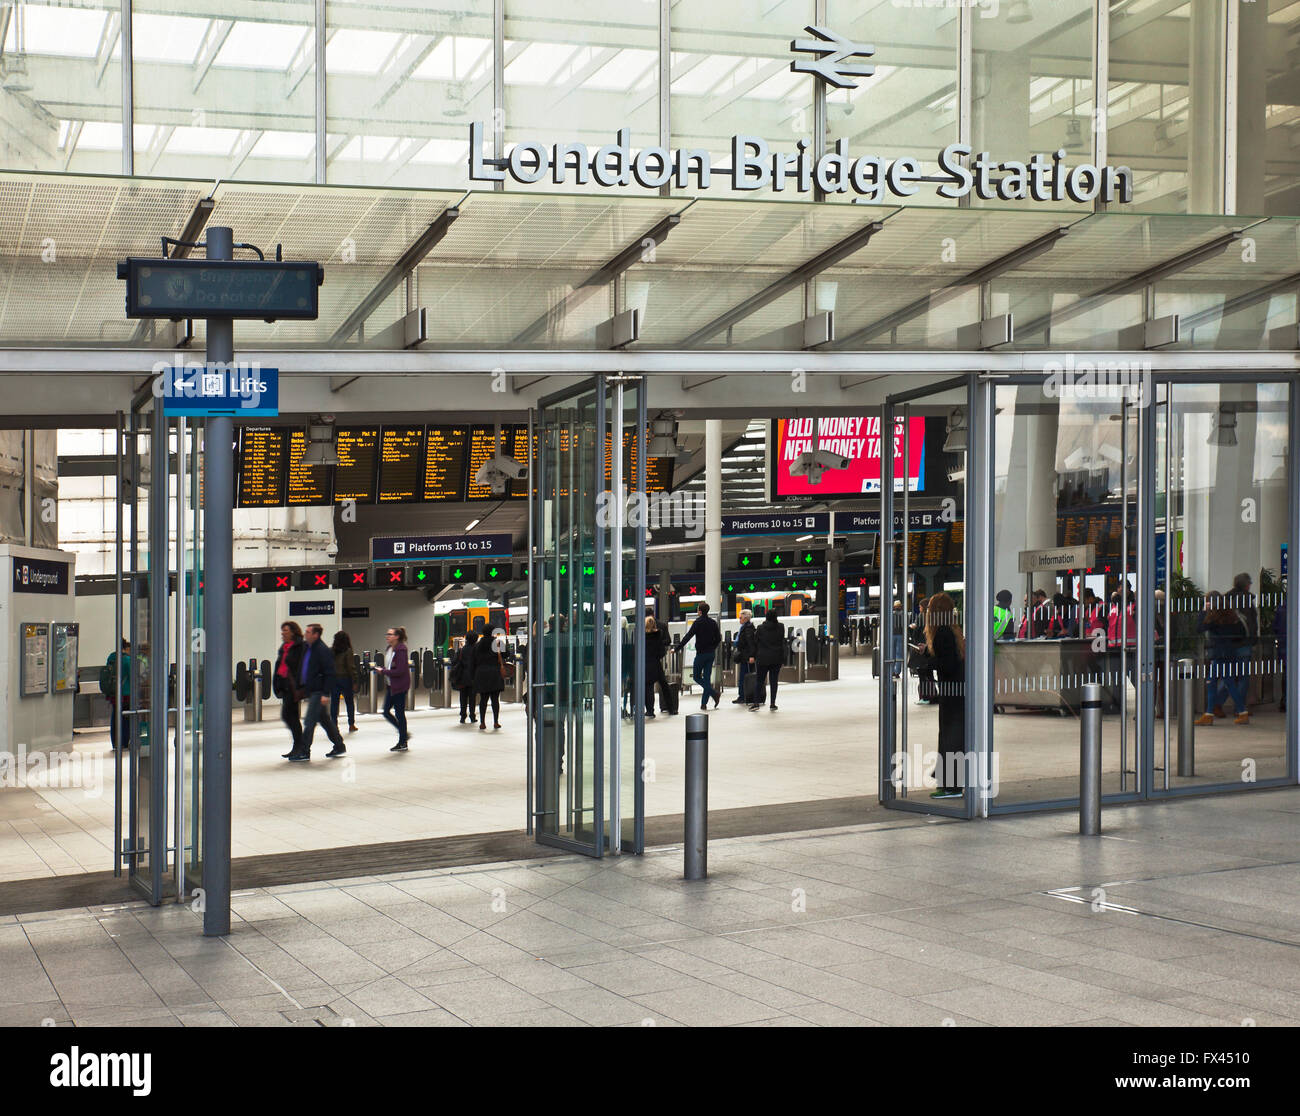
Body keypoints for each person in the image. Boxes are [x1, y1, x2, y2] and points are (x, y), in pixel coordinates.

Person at [926, 592, 966, 799]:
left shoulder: (941, 632)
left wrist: (927, 661)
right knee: (952, 735)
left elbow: (947, 664)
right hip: (957, 690)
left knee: (950, 736)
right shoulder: (953, 630)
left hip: (951, 691)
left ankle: (952, 786)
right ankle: (950, 783)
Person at [294, 623, 346, 761]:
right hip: (312, 690)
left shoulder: (322, 650)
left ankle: (304, 751)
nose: (306, 634)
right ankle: (339, 745)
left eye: (308, 632)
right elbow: (304, 668)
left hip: (319, 691)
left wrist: (325, 693)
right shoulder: (308, 648)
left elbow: (330, 673)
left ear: (316, 634)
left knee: (309, 721)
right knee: (325, 720)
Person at [372, 625, 411, 751]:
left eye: (390, 634)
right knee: (386, 711)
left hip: (399, 686)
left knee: (399, 713)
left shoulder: (401, 650)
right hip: (391, 685)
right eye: (387, 634)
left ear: (397, 637)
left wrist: (383, 672)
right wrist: (384, 670)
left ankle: (403, 741)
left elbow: (400, 670)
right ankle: (403, 734)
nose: (387, 636)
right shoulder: (389, 648)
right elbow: (389, 665)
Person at [679, 602, 722, 709]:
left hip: (701, 654)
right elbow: (718, 638)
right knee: (707, 679)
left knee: (697, 676)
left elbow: (688, 636)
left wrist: (677, 648)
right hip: (710, 654)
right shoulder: (713, 622)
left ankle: (714, 694)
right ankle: (704, 703)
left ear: (700, 611)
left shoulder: (698, 622)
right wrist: (712, 647)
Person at [273, 621, 306, 759]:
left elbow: (300, 666)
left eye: (285, 630)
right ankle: (298, 745)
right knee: (289, 716)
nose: (283, 633)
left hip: (293, 686)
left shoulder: (299, 647)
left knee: (290, 716)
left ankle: (300, 746)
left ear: (293, 632)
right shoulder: (284, 647)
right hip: (285, 685)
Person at [472, 626, 507, 730]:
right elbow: (506, 654)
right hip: (494, 673)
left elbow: (473, 661)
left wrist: (473, 676)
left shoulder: (477, 645)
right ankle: (496, 722)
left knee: (483, 699)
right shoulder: (497, 644)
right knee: (495, 700)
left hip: (481, 674)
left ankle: (482, 723)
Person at [751, 610, 786, 711]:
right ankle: (773, 703)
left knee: (759, 681)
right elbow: (781, 641)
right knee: (774, 681)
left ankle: (756, 703)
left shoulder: (760, 628)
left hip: (762, 658)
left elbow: (755, 641)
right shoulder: (781, 627)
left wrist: (753, 654)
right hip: (776, 658)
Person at [101, 639, 131, 750]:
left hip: (114, 694)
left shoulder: (111, 657)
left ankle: (115, 742)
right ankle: (124, 741)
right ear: (126, 648)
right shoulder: (127, 660)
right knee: (126, 718)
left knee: (115, 717)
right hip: (126, 694)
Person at [644, 615, 676, 716]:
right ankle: (671, 709)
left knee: (648, 688)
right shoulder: (658, 635)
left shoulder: (642, 636)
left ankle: (650, 711)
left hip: (646, 664)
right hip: (656, 664)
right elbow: (662, 652)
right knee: (664, 686)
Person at [330, 630, 360, 734]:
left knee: (334, 703)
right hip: (345, 679)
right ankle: (351, 724)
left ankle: (334, 725)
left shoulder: (331, 651)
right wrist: (355, 681)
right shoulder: (347, 651)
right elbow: (351, 667)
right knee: (349, 702)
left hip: (334, 680)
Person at [450, 632, 478, 724]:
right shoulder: (476, 650)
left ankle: (462, 716)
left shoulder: (461, 650)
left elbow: (454, 662)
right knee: (472, 698)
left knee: (463, 697)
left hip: (462, 677)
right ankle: (472, 716)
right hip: (473, 677)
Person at [733, 609, 757, 704]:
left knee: (744, 676)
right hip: (746, 655)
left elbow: (750, 643)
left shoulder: (747, 629)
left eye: (741, 618)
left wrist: (751, 656)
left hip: (746, 656)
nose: (739, 619)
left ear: (746, 618)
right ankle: (746, 695)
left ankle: (743, 696)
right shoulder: (746, 627)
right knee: (746, 676)